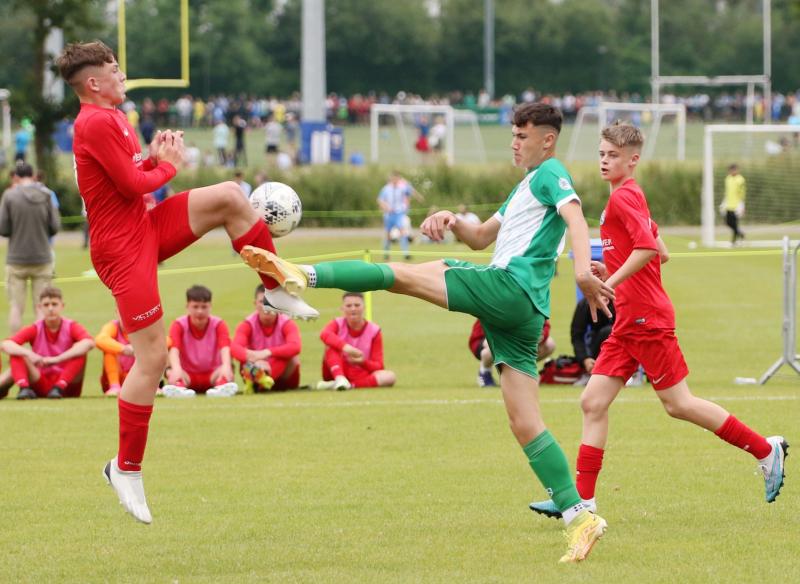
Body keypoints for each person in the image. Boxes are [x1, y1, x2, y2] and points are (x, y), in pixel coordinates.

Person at [240, 103, 614, 563]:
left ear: (547, 139)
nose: (514, 142)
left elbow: (577, 217)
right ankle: (581, 517)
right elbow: (480, 239)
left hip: (509, 288)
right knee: (525, 422)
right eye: (513, 135)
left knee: (400, 275)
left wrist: (581, 273)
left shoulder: (551, 172)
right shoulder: (524, 187)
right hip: (523, 313)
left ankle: (298, 273)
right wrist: (452, 220)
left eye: (522, 135)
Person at [56, 41, 316, 525]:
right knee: (152, 357)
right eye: (113, 68)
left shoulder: (113, 117)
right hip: (122, 248)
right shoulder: (93, 122)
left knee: (230, 198)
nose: (120, 73)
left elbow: (132, 178)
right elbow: (137, 185)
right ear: (92, 82)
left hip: (144, 227)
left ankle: (277, 287)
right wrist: (169, 165)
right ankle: (124, 469)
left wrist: (155, 159)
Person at [529, 122, 787, 522]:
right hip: (629, 321)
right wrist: (609, 266)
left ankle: (765, 449)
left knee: (678, 404)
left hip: (646, 318)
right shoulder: (627, 196)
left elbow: (649, 248)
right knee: (592, 401)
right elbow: (660, 251)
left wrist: (608, 282)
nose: (604, 161)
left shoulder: (623, 198)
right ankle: (581, 500)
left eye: (613, 156)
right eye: (601, 154)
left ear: (633, 160)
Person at [1, 287, 94, 399]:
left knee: (80, 351)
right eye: (46, 305)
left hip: (67, 384)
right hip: (41, 381)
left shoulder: (71, 326)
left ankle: (59, 387)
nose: (50, 308)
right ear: (39, 307)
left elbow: (89, 342)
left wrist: (58, 359)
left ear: (62, 306)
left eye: (54, 304)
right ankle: (24, 389)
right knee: (17, 352)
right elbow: (6, 344)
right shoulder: (35, 328)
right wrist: (31, 355)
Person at [0, 163, 61, 332]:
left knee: (16, 308)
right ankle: (41, 349)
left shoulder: (9, 196)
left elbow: (3, 229)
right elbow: (55, 227)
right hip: (42, 256)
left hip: (16, 258)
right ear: (33, 175)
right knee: (41, 307)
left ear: (17, 177)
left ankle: (16, 351)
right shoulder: (46, 195)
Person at [164, 285, 238, 397]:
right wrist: (177, 369)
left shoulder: (219, 324)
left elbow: (225, 348)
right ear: (187, 306)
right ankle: (179, 388)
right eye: (195, 307)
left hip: (213, 375)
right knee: (171, 370)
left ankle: (221, 387)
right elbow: (174, 350)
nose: (200, 311)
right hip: (186, 375)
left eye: (204, 307)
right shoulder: (179, 325)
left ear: (210, 307)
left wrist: (227, 366)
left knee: (228, 368)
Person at [316, 292, 396, 390]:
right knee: (330, 345)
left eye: (357, 305)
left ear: (364, 307)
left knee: (389, 377)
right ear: (342, 309)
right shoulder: (337, 323)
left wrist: (362, 362)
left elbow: (379, 366)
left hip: (360, 375)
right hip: (336, 371)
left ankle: (348, 386)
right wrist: (347, 348)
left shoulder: (374, 331)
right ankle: (340, 379)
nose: (353, 309)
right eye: (349, 306)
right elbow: (324, 334)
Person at [231, 284, 302, 392]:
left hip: (283, 379)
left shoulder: (286, 323)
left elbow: (296, 346)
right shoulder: (247, 324)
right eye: (262, 302)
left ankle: (263, 378)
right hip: (254, 368)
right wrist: (254, 359)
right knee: (244, 360)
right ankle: (260, 377)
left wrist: (267, 353)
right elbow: (235, 348)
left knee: (292, 358)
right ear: (255, 304)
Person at [469, 319, 555, 388]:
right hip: (485, 340)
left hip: (518, 341)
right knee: (497, 342)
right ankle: (484, 371)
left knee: (549, 344)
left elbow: (545, 325)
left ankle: (520, 370)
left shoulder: (532, 302)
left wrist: (536, 339)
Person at [377, 171, 422, 260]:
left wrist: (418, 197)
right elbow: (380, 200)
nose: (395, 180)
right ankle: (386, 253)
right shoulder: (386, 189)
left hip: (398, 213)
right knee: (388, 235)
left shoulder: (402, 188)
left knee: (403, 232)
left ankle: (406, 253)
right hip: (389, 214)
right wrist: (385, 207)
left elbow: (410, 191)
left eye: (396, 178)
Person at [569, 297, 615, 383]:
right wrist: (585, 359)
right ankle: (594, 370)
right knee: (606, 332)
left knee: (611, 331)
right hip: (597, 345)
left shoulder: (621, 300)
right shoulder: (585, 304)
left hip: (622, 345)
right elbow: (577, 335)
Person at [95, 318, 135, 397]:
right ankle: (114, 386)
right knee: (109, 349)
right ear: (117, 312)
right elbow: (100, 340)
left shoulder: (144, 328)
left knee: (151, 351)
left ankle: (153, 386)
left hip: (136, 377)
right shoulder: (113, 326)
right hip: (115, 377)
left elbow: (164, 341)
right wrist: (123, 349)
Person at [721, 163, 746, 245]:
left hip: (737, 205)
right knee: (727, 222)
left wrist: (742, 205)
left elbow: (742, 193)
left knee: (735, 223)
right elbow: (727, 192)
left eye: (733, 170)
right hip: (728, 204)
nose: (731, 172)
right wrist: (724, 202)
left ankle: (734, 241)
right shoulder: (727, 179)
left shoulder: (741, 180)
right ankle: (741, 234)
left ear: (736, 170)